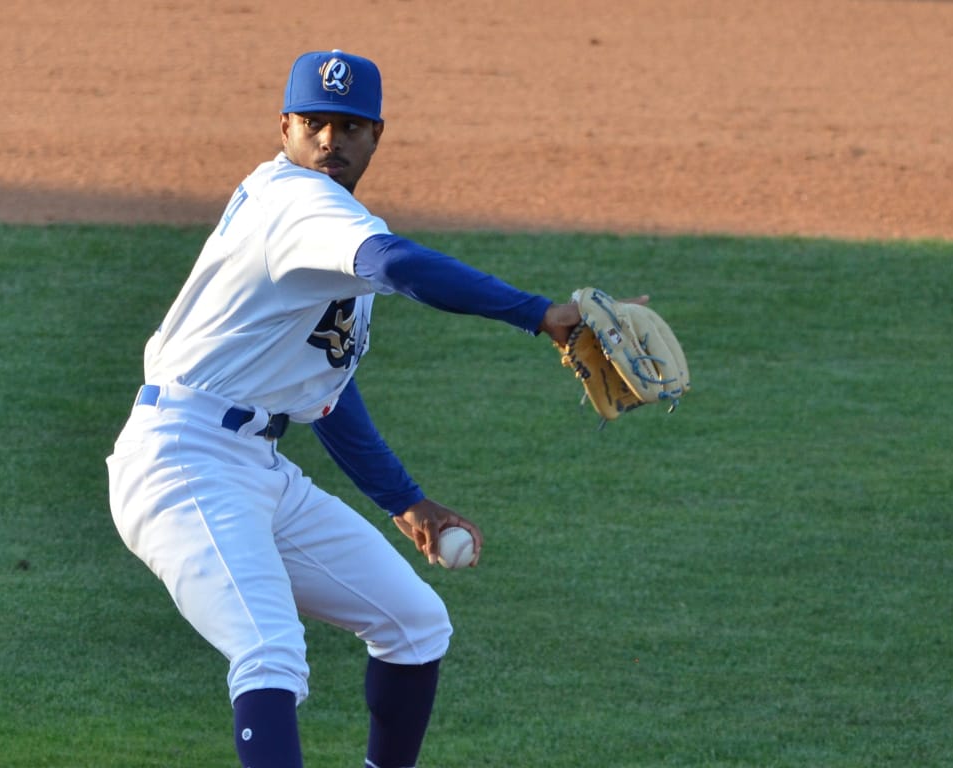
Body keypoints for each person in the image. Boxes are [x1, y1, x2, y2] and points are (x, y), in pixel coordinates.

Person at [105, 49, 594, 768]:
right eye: (315, 123)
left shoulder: (337, 225)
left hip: (253, 467)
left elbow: (323, 394)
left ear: (376, 137)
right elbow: (398, 266)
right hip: (181, 462)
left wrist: (406, 502)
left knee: (415, 622)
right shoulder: (296, 204)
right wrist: (539, 314)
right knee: (269, 651)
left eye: (350, 127)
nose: (331, 140)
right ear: (285, 130)